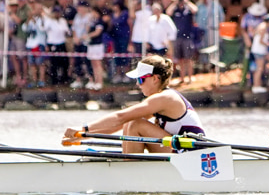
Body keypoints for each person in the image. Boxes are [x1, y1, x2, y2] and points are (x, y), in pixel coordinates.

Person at [70, 54, 205, 153]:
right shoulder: (159, 100)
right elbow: (120, 124)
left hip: (191, 155)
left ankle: (130, 167)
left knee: (135, 123)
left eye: (140, 80)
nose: (137, 84)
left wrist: (84, 128)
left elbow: (120, 116)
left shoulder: (165, 98)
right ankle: (129, 163)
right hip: (180, 150)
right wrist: (84, 136)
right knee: (131, 122)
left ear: (155, 79)